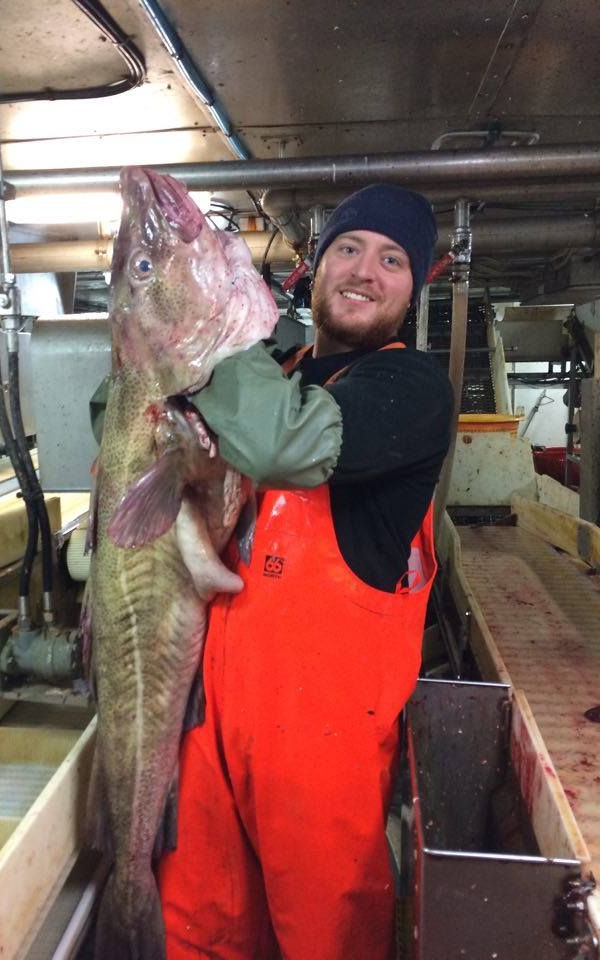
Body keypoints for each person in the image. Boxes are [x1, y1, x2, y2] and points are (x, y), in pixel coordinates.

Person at [157, 184, 454, 960]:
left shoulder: (408, 390)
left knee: (326, 944)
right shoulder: (272, 370)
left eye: (393, 260)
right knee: (199, 933)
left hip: (320, 762)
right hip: (207, 732)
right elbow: (131, 410)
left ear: (415, 285)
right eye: (348, 249)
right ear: (311, 267)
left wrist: (201, 344)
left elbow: (282, 448)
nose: (365, 270)